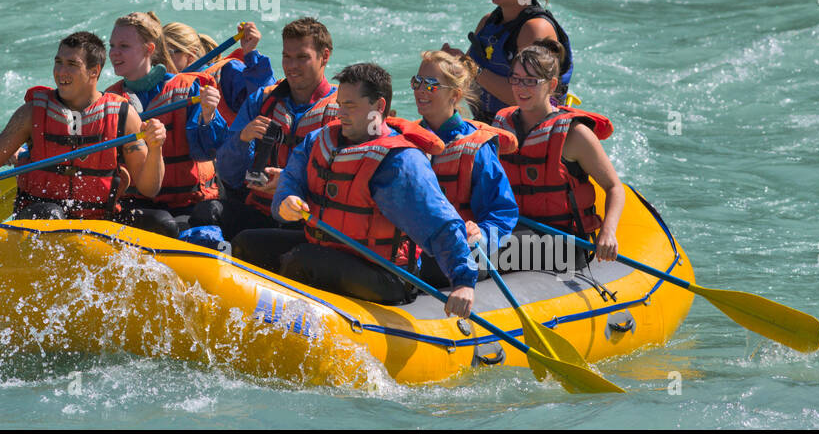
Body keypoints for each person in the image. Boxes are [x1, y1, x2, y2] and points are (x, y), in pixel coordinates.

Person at [233, 63, 476, 313]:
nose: (342, 113)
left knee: (304, 261)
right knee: (246, 243)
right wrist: (287, 200)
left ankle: (277, 327)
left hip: (385, 273)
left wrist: (463, 281)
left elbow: (441, 223)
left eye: (350, 106)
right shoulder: (318, 140)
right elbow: (291, 180)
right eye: (340, 104)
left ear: (378, 107)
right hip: (328, 250)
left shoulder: (400, 162)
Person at [0, 31, 166, 220]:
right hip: (40, 217)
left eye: (71, 65)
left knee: (162, 223)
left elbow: (149, 189)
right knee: (51, 214)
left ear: (94, 71)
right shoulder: (31, 113)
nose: (60, 71)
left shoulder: (123, 115)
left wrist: (155, 148)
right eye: (58, 62)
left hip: (98, 221)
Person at [491, 39, 622, 263]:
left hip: (564, 243)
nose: (521, 88)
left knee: (483, 250)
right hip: (516, 230)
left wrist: (608, 232)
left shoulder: (575, 134)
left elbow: (614, 187)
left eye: (530, 81)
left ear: (551, 85)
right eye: (516, 79)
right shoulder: (502, 124)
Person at [211, 18, 340, 241]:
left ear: (324, 57)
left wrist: (290, 182)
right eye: (286, 57)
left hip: (309, 224)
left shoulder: (343, 110)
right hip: (260, 211)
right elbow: (230, 177)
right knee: (209, 212)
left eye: (302, 57)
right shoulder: (262, 101)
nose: (292, 66)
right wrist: (242, 139)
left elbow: (346, 186)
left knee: (250, 241)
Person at [105, 11, 228, 237]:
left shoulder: (188, 89)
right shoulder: (110, 99)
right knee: (163, 224)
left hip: (189, 202)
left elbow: (207, 151)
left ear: (149, 49)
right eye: (112, 45)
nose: (114, 53)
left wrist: (209, 116)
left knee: (180, 226)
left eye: (123, 46)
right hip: (138, 203)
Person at [412, 49, 518, 281]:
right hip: (416, 248)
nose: (420, 90)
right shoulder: (407, 139)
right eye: (416, 82)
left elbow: (502, 212)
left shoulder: (476, 148)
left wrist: (482, 234)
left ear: (455, 95)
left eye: (430, 84)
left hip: (461, 252)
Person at [443, 0, 573, 123]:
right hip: (489, 125)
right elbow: (472, 84)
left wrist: (472, 69)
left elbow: (525, 94)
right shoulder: (487, 22)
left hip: (528, 131)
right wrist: (452, 67)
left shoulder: (535, 29)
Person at [162, 21, 274, 125]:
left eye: (167, 53)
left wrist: (251, 54)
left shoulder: (228, 72)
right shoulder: (163, 88)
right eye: (156, 56)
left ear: (190, 55)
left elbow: (265, 100)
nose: (160, 62)